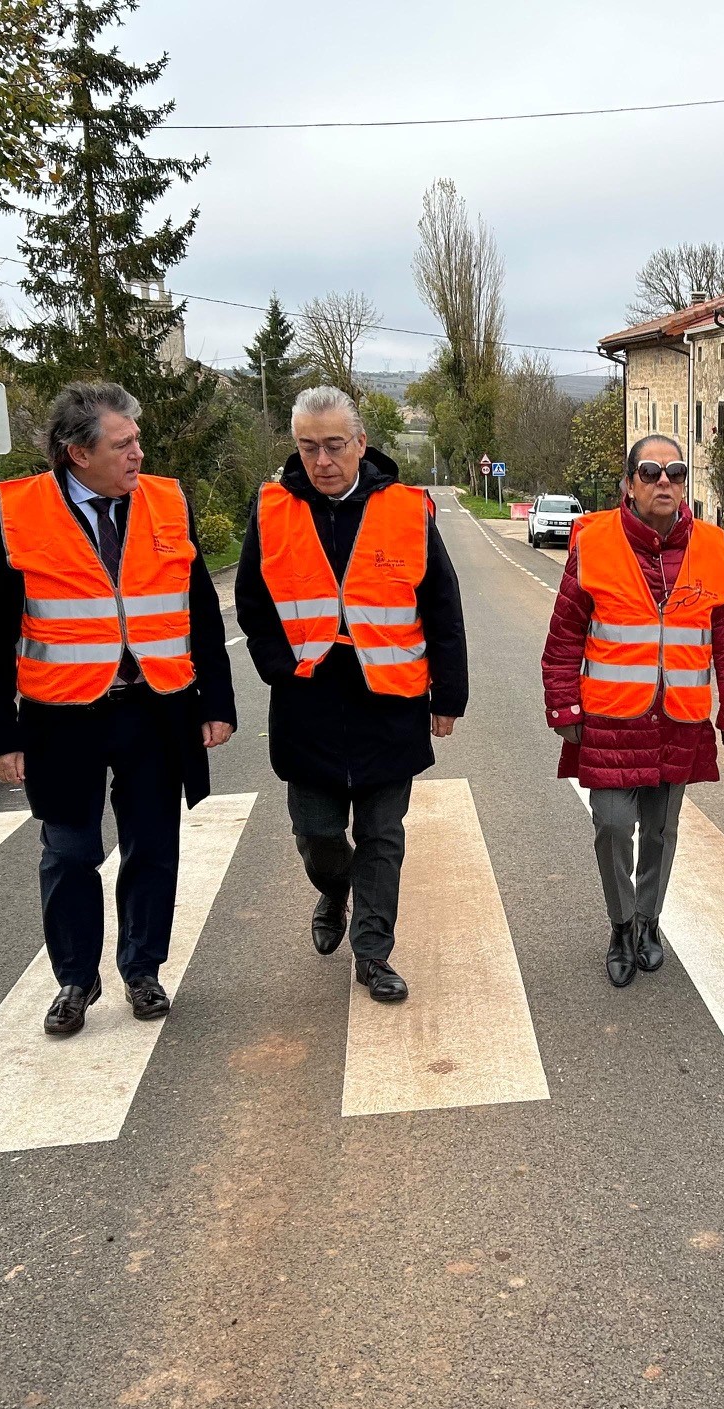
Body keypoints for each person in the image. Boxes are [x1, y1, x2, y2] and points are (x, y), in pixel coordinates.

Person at [0, 382, 237, 1036]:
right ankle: (75, 979)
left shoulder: (168, 503)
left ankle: (142, 969)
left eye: (137, 440)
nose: (138, 453)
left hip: (154, 710)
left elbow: (201, 609)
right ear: (76, 454)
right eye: (123, 444)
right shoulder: (19, 512)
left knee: (153, 844)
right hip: (62, 718)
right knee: (69, 850)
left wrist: (216, 701)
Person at [235, 386, 468, 1004]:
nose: (321, 460)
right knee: (316, 833)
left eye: (334, 445)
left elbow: (441, 605)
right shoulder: (273, 508)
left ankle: (373, 952)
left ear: (361, 444)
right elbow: (253, 604)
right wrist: (278, 667)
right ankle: (333, 889)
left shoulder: (407, 509)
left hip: (389, 701)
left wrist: (448, 694)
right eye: (308, 447)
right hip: (307, 701)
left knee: (382, 835)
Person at [541, 434, 724, 988]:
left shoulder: (710, 546)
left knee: (661, 830)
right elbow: (565, 634)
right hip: (611, 719)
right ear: (629, 484)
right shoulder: (595, 544)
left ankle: (648, 921)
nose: (665, 481)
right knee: (612, 826)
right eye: (651, 471)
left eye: (676, 472)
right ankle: (619, 924)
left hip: (679, 719)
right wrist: (563, 702)